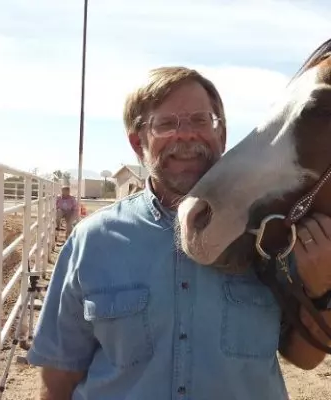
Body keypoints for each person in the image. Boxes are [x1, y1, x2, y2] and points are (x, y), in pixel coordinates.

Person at [27, 67, 331, 400]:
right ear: (137, 143)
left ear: (222, 134)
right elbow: (58, 379)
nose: (186, 135)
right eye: (166, 124)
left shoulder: (270, 231)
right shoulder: (92, 242)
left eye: (201, 121)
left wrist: (323, 293)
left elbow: (303, 357)